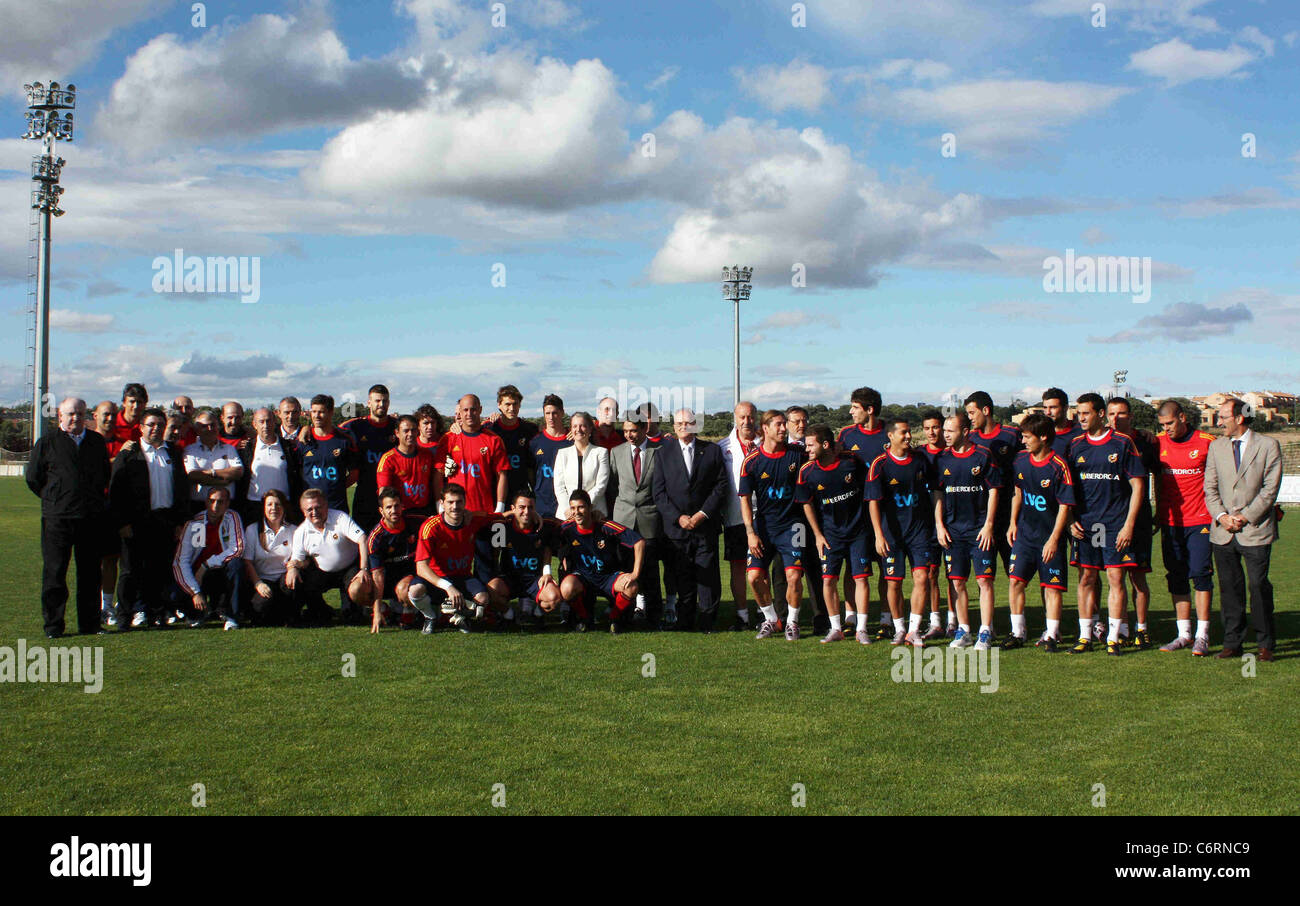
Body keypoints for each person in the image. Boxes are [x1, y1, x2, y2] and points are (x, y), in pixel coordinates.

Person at [1065, 393, 1146, 656]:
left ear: (1100, 414)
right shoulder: (1076, 445)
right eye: (1078, 414)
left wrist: (1129, 525)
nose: (1081, 418)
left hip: (1115, 525)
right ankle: (1085, 635)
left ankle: (1113, 636)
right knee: (1087, 578)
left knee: (1115, 577)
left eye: (1086, 413)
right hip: (1085, 525)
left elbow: (1138, 485)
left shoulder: (1122, 443)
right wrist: (1071, 520)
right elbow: (1067, 489)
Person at [1204, 397, 1283, 661]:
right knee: (1229, 588)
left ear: (1239, 418)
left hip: (1256, 529)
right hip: (1223, 532)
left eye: (1223, 417)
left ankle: (1265, 645)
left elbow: (1269, 490)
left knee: (1258, 586)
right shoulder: (1216, 448)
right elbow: (1210, 489)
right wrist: (1223, 516)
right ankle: (1232, 643)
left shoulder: (1268, 445)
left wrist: (1245, 517)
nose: (1219, 422)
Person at [25, 397, 111, 638]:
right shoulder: (48, 442)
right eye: (70, 414)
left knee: (90, 574)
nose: (75, 418)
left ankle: (90, 624)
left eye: (80, 414)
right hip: (57, 518)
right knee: (55, 573)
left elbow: (104, 475)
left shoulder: (95, 442)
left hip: (89, 518)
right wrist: (54, 497)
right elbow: (33, 477)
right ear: (60, 416)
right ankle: (53, 626)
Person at [651, 408, 729, 632]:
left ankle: (708, 621)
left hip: (705, 525)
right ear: (674, 427)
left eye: (688, 422)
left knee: (707, 575)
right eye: (679, 423)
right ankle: (684, 621)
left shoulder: (712, 451)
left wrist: (702, 514)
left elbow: (720, 486)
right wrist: (679, 517)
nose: (683, 426)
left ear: (695, 425)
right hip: (677, 529)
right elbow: (659, 493)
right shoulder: (663, 453)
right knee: (682, 576)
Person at [110, 407, 189, 629]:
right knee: (130, 571)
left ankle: (157, 613)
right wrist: (122, 523)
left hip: (165, 520)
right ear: (141, 427)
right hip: (136, 521)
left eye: (160, 425)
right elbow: (116, 492)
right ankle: (125, 615)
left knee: (160, 570)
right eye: (151, 425)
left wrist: (179, 522)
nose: (156, 429)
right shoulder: (129, 454)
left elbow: (182, 488)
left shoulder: (173, 452)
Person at [933, 413, 1004, 649]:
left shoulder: (983, 455)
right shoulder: (942, 459)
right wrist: (940, 525)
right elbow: (938, 494)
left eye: (950, 431)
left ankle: (985, 631)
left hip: (979, 530)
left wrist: (989, 525)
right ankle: (963, 631)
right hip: (953, 532)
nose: (946, 435)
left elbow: (994, 491)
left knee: (984, 580)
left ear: (965, 432)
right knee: (957, 582)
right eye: (944, 431)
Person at [1006, 414, 1075, 652]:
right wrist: (1012, 523)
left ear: (1043, 437)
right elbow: (1018, 492)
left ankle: (1052, 634)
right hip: (1025, 536)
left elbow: (1065, 506)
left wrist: (1054, 539)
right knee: (1015, 581)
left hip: (1049, 539)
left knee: (1052, 586)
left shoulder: (1059, 466)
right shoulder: (1020, 461)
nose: (1023, 441)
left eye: (1027, 437)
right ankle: (1018, 632)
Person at [796, 425, 871, 644]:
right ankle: (836, 628)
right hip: (830, 535)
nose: (806, 449)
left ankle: (862, 629)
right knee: (828, 580)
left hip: (858, 532)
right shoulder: (807, 472)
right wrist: (818, 534)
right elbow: (806, 504)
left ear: (825, 445)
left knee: (861, 578)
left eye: (811, 445)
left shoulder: (851, 462)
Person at [866, 418, 936, 648]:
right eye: (904, 433)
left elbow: (935, 490)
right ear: (891, 436)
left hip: (919, 532)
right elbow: (873, 503)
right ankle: (899, 628)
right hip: (891, 535)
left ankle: (914, 631)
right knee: (893, 583)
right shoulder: (880, 464)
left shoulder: (920, 460)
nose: (908, 437)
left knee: (922, 578)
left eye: (909, 433)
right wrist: (878, 534)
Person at [1154, 401, 1217, 655]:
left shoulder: (1206, 441)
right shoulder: (1158, 443)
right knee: (1176, 576)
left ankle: (1203, 635)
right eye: (1162, 425)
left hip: (1200, 520)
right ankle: (1184, 634)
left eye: (1170, 423)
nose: (1166, 429)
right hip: (1170, 522)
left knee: (1201, 575)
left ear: (1182, 417)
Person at [738, 409, 808, 641]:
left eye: (783, 425)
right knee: (754, 577)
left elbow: (822, 452)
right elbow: (745, 499)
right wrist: (750, 532)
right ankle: (771, 619)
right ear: (765, 429)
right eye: (777, 425)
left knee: (794, 576)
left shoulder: (798, 454)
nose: (782, 429)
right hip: (763, 527)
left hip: (794, 526)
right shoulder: (752, 461)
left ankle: (792, 622)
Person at [411, 484, 506, 633]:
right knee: (415, 591)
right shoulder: (431, 526)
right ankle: (430, 616)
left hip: (463, 577)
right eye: (450, 502)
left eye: (459, 502)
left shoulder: (472, 519)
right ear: (442, 504)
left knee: (483, 599)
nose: (455, 507)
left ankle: (458, 616)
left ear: (465, 502)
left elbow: (501, 517)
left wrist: (530, 515)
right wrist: (448, 587)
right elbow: (421, 568)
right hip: (438, 578)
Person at [838, 387, 890, 637]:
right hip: (855, 515)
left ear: (869, 410)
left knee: (885, 566)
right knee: (853, 567)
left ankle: (886, 618)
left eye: (855, 407)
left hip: (885, 514)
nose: (850, 412)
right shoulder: (847, 435)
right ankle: (851, 616)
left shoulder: (889, 433)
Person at [1107, 396, 1159, 647]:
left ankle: (1142, 628)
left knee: (1138, 577)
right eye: (1111, 414)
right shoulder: (1104, 442)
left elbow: (1157, 476)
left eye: (1121, 414)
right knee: (1114, 578)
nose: (1115, 419)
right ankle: (1123, 628)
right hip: (1109, 519)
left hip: (1137, 520)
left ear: (1131, 416)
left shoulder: (1147, 442)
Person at [556, 489, 645, 634]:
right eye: (573, 508)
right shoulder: (567, 528)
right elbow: (546, 532)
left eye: (581, 507)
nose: (576, 512)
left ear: (590, 508)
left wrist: (635, 573)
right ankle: (585, 619)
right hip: (583, 578)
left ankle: (613, 619)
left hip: (608, 577)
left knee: (632, 586)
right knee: (566, 588)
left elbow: (639, 541)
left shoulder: (604, 525)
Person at [284, 488, 371, 625]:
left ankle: (368, 608)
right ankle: (321, 611)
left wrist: (364, 569)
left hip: (349, 568)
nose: (314, 512)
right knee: (300, 580)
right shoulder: (301, 532)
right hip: (322, 572)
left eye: (318, 507)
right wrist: (292, 568)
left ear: (326, 505)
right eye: (309, 509)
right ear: (303, 511)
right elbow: (298, 559)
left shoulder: (340, 517)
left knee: (353, 619)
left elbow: (362, 539)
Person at [609, 415, 663, 628]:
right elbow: (613, 486)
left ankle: (653, 619)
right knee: (624, 571)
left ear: (643, 429)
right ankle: (623, 617)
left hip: (649, 520)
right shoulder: (616, 452)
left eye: (633, 430)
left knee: (650, 573)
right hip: (623, 522)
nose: (629, 435)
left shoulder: (658, 452)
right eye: (625, 431)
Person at [483, 490, 564, 630]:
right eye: (522, 507)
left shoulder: (543, 526)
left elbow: (548, 548)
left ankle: (538, 615)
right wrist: (496, 576)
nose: (526, 511)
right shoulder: (502, 527)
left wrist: (547, 572)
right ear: (513, 508)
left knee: (555, 598)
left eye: (530, 507)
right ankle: (509, 615)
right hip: (510, 579)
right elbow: (496, 554)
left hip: (534, 580)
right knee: (490, 589)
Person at [171, 486, 245, 630]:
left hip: (218, 572)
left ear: (228, 503)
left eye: (221, 502)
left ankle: (231, 616)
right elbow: (181, 562)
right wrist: (195, 592)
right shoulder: (195, 523)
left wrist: (206, 565)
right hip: (197, 577)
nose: (215, 506)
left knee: (236, 564)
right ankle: (197, 614)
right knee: (174, 594)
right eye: (212, 501)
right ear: (206, 502)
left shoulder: (232, 517)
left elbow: (237, 549)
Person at [965, 391, 1021, 574]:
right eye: (967, 414)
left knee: (1014, 572)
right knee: (984, 575)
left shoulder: (1012, 435)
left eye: (972, 413)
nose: (969, 418)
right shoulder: (971, 439)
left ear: (986, 410)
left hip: (1008, 514)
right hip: (981, 517)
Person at [718, 401, 760, 630]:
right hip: (735, 518)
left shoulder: (766, 445)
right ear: (735, 418)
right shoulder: (722, 447)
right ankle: (742, 615)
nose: (746, 421)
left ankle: (765, 612)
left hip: (762, 517)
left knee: (761, 568)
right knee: (738, 566)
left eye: (750, 417)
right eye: (742, 417)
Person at [365, 488, 429, 633]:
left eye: (396, 506)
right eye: (388, 507)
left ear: (402, 507)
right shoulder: (376, 538)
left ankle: (408, 612)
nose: (393, 510)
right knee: (357, 590)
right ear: (381, 511)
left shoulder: (416, 522)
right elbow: (377, 576)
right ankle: (384, 610)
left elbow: (439, 522)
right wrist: (376, 611)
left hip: (409, 577)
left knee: (403, 589)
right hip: (386, 579)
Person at [438, 394, 510, 514]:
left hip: (483, 510)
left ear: (480, 409)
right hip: (454, 511)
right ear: (460, 412)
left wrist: (500, 507)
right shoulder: (448, 439)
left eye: (473, 409)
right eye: (465, 410)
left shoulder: (493, 439)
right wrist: (439, 505)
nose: (469, 413)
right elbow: (438, 474)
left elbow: (502, 475)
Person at [339, 384, 397, 531]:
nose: (381, 404)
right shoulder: (355, 426)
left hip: (392, 497)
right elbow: (329, 431)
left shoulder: (397, 426)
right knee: (362, 539)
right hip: (364, 494)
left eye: (385, 401)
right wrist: (307, 428)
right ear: (369, 403)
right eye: (377, 401)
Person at [242, 488, 300, 626]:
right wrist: (258, 584)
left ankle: (289, 614)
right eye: (269, 504)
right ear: (264, 508)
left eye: (278, 504)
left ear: (284, 507)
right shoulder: (252, 530)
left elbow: (297, 556)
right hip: (263, 580)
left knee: (295, 583)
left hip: (284, 580)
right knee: (261, 607)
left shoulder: (293, 530)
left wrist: (293, 568)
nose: (274, 508)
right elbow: (247, 562)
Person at [236, 407, 303, 525]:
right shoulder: (246, 448)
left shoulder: (288, 447)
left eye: (269, 421)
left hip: (284, 505)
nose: (265, 425)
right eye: (261, 422)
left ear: (275, 422)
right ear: (254, 424)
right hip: (255, 507)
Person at [297, 394, 359, 515]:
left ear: (331, 413)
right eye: (313, 411)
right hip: (311, 508)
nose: (316, 416)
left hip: (337, 507)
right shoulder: (303, 440)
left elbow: (354, 473)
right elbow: (298, 470)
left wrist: (337, 488)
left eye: (321, 412)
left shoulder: (344, 440)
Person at [918, 409, 950, 637]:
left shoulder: (952, 453)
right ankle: (936, 621)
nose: (931, 432)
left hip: (954, 521)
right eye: (927, 428)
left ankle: (955, 620)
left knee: (955, 574)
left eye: (935, 427)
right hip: (927, 524)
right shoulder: (918, 455)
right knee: (931, 572)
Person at [376, 415, 439, 521]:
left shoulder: (427, 455)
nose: (410, 434)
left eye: (413, 430)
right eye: (406, 431)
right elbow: (384, 494)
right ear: (397, 433)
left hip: (425, 512)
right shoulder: (388, 459)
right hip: (401, 514)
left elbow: (435, 482)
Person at [485, 384, 540, 507]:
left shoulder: (530, 430)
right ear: (499, 405)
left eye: (515, 404)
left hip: (520, 493)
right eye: (507, 404)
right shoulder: (489, 430)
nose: (512, 408)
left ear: (520, 404)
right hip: (494, 493)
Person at [184, 409, 243, 513]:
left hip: (227, 506)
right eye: (204, 426)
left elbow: (238, 472)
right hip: (199, 506)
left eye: (213, 425)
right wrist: (223, 480)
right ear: (197, 430)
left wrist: (211, 473)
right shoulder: (190, 450)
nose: (210, 429)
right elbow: (193, 476)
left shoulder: (229, 449)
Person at [552, 412, 609, 519]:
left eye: (582, 426)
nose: (578, 429)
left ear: (590, 429)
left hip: (595, 512)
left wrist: (584, 507)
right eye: (575, 426)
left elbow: (601, 485)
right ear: (571, 429)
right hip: (567, 514)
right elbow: (559, 486)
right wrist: (570, 509)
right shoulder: (562, 454)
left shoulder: (601, 453)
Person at [529, 394, 572, 521]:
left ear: (562, 412)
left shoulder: (572, 441)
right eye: (547, 413)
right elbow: (531, 473)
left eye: (555, 413)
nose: (551, 417)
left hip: (568, 507)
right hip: (542, 507)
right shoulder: (535, 442)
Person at [107, 382, 148, 459]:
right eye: (132, 401)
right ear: (124, 403)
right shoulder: (111, 423)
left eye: (139, 402)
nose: (135, 406)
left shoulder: (148, 427)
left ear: (145, 404)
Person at [1042, 387, 1081, 458]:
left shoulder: (1080, 432)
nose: (1048, 412)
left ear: (1065, 408)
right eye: (1045, 408)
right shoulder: (1038, 434)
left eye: (1053, 407)